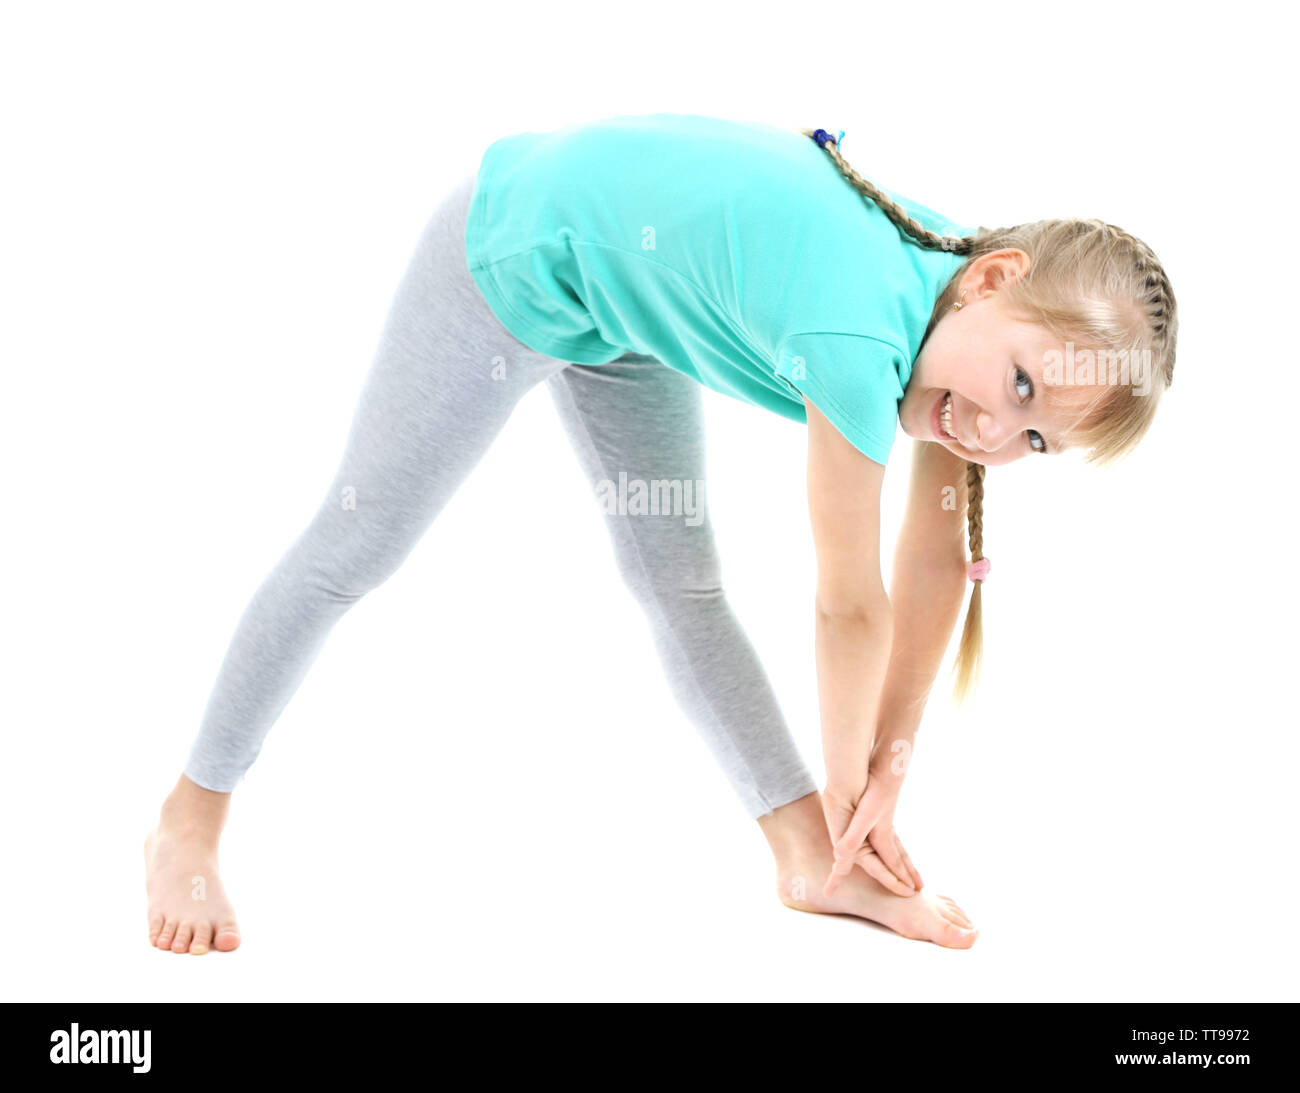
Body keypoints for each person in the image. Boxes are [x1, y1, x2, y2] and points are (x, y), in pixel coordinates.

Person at [144, 113, 1178, 954]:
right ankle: (188, 817)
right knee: (353, 549)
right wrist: (853, 779)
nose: (996, 429)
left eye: (1036, 438)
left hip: (620, 311)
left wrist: (890, 759)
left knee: (682, 581)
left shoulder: (963, 327)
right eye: (1022, 388)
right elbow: (848, 599)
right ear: (995, 277)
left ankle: (808, 857)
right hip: (507, 259)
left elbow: (934, 555)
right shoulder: (863, 331)